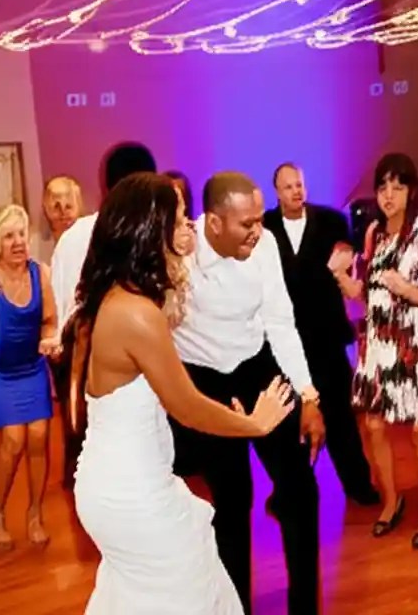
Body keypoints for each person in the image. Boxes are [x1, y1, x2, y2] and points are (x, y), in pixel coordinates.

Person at [71, 172, 293, 614]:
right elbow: (187, 406)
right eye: (178, 221)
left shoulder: (120, 298)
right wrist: (253, 423)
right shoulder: (135, 314)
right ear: (150, 233)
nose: (189, 227)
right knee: (188, 592)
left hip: (126, 479)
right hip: (130, 490)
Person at [172, 171, 326, 614]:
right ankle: (235, 606)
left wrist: (308, 396)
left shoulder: (266, 245)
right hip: (205, 381)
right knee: (232, 500)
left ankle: (304, 608)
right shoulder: (180, 249)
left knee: (300, 489)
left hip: (256, 367)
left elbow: (279, 318)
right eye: (247, 224)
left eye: (260, 220)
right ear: (213, 222)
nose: (258, 231)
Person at [337, 153, 418, 548]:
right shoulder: (374, 234)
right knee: (373, 426)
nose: (389, 194)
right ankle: (392, 500)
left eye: (398, 186)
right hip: (380, 342)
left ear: (412, 190)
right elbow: (367, 296)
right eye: (383, 186)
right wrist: (344, 280)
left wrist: (407, 290)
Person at [264, 162, 378, 506]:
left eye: (299, 184)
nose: (296, 190)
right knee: (288, 423)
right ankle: (290, 492)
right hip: (283, 342)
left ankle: (359, 486)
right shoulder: (265, 229)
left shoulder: (331, 221)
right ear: (277, 192)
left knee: (342, 418)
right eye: (288, 186)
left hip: (327, 338)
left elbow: (350, 262)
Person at [52, 142, 157, 484]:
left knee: (90, 455)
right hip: (112, 358)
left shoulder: (75, 235)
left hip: (84, 358)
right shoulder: (147, 236)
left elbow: (61, 302)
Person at [0, 204, 60, 548]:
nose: (19, 242)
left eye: (22, 234)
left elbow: (49, 319)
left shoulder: (41, 273)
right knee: (13, 439)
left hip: (30, 366)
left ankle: (35, 513)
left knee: (38, 436)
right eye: (10, 236)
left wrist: (49, 338)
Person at [38, 175, 85, 261]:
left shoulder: (88, 242)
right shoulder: (37, 247)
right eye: (56, 207)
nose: (63, 213)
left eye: (68, 207)